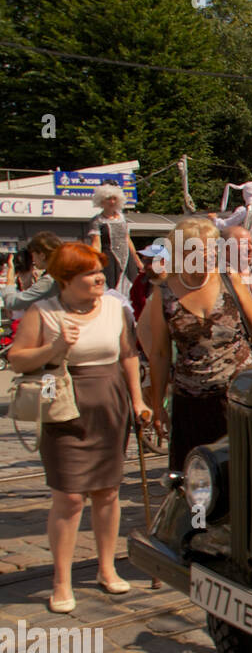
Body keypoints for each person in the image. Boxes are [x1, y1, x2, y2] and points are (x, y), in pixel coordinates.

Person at [6, 243, 150, 613]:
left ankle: (107, 567)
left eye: (100, 270)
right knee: (69, 497)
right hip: (63, 406)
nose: (100, 277)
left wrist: (138, 400)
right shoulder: (44, 311)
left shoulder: (117, 309)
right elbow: (17, 359)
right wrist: (54, 347)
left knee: (107, 491)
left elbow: (128, 355)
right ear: (66, 279)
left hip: (108, 403)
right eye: (90, 273)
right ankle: (61, 580)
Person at [147, 216, 252, 471]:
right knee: (198, 475)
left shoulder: (229, 279)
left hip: (239, 396)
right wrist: (157, 405)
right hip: (191, 402)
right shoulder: (164, 294)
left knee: (246, 470)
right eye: (200, 250)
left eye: (212, 249)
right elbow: (160, 353)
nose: (208, 255)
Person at [87, 183, 141, 296]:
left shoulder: (122, 218)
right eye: (108, 199)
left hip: (127, 258)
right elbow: (96, 244)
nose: (112, 202)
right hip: (109, 258)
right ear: (101, 201)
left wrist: (138, 262)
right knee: (111, 287)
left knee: (132, 287)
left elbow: (127, 239)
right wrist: (95, 263)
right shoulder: (97, 221)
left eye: (114, 199)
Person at [3, 231, 61, 313]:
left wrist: (10, 278)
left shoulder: (50, 280)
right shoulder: (62, 273)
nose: (32, 260)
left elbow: (11, 303)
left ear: (42, 255)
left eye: (32, 255)